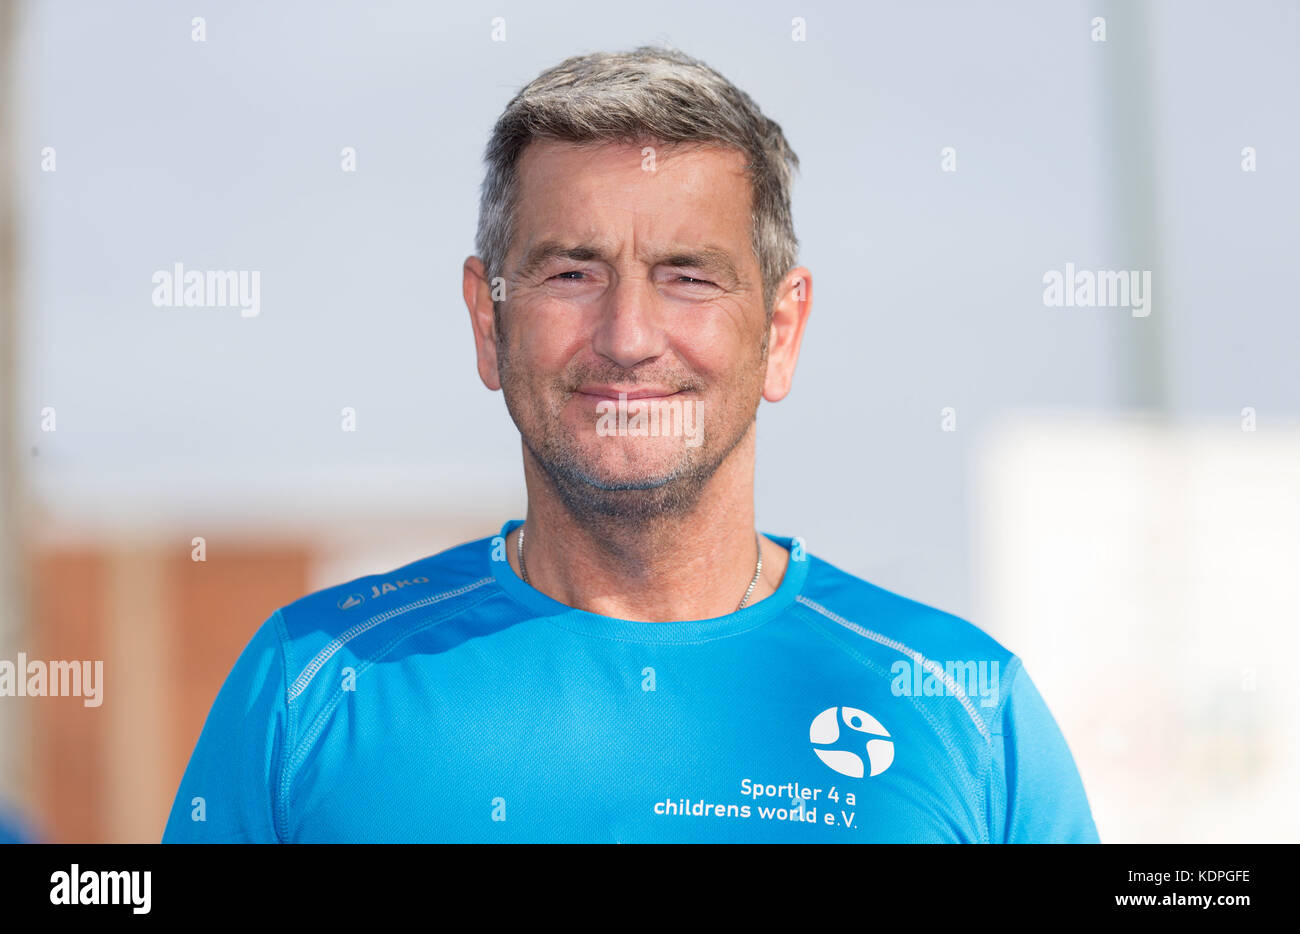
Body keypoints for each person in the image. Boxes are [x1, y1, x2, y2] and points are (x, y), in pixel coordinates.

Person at [163, 46, 1098, 843]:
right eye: (572, 272)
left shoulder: (965, 714)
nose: (628, 336)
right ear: (487, 325)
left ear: (780, 332)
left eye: (688, 277)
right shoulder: (308, 688)